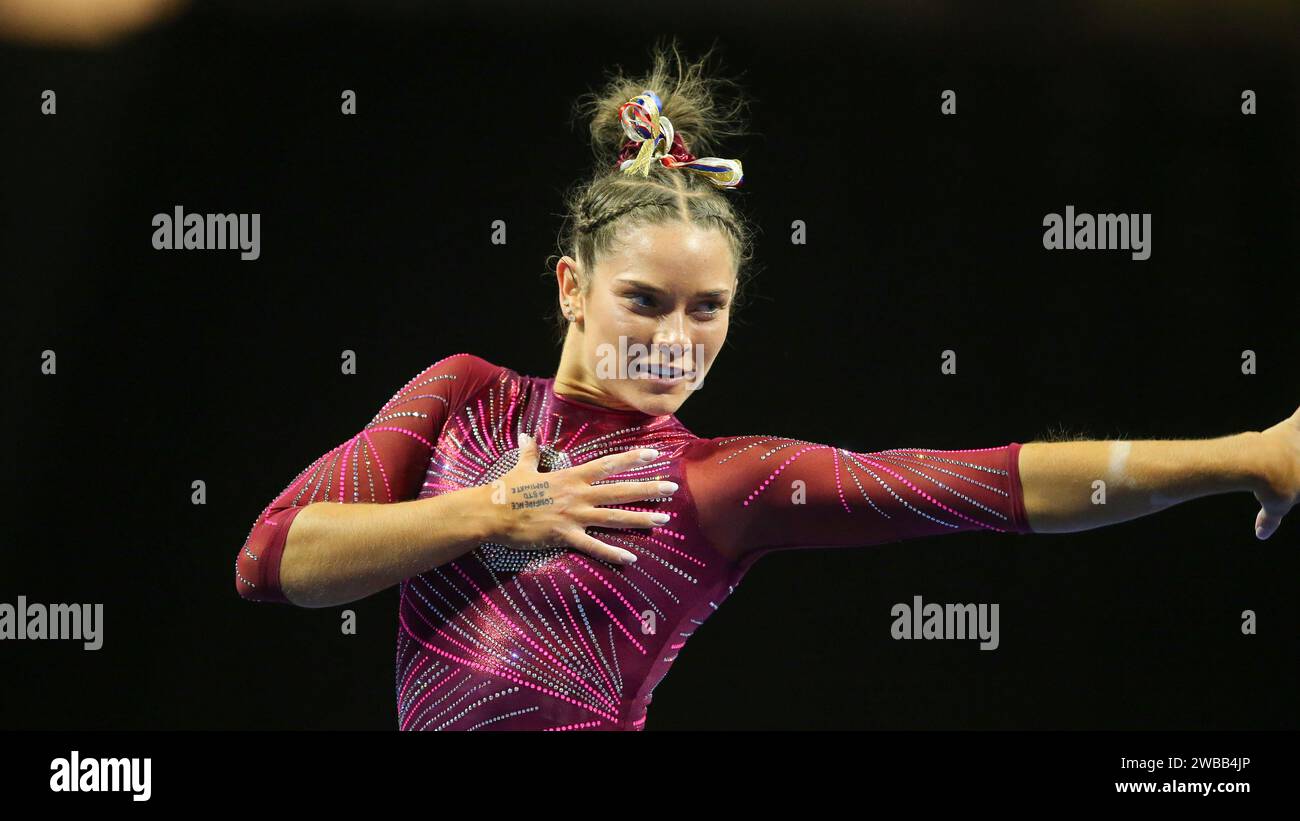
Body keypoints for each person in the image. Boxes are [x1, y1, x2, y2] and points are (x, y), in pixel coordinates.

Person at [234, 41, 1299, 731]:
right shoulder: (463, 398)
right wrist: (492, 510)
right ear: (571, 283)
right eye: (645, 299)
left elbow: (983, 484)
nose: (676, 337)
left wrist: (1238, 455)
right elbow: (273, 560)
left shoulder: (717, 484)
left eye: (708, 309)